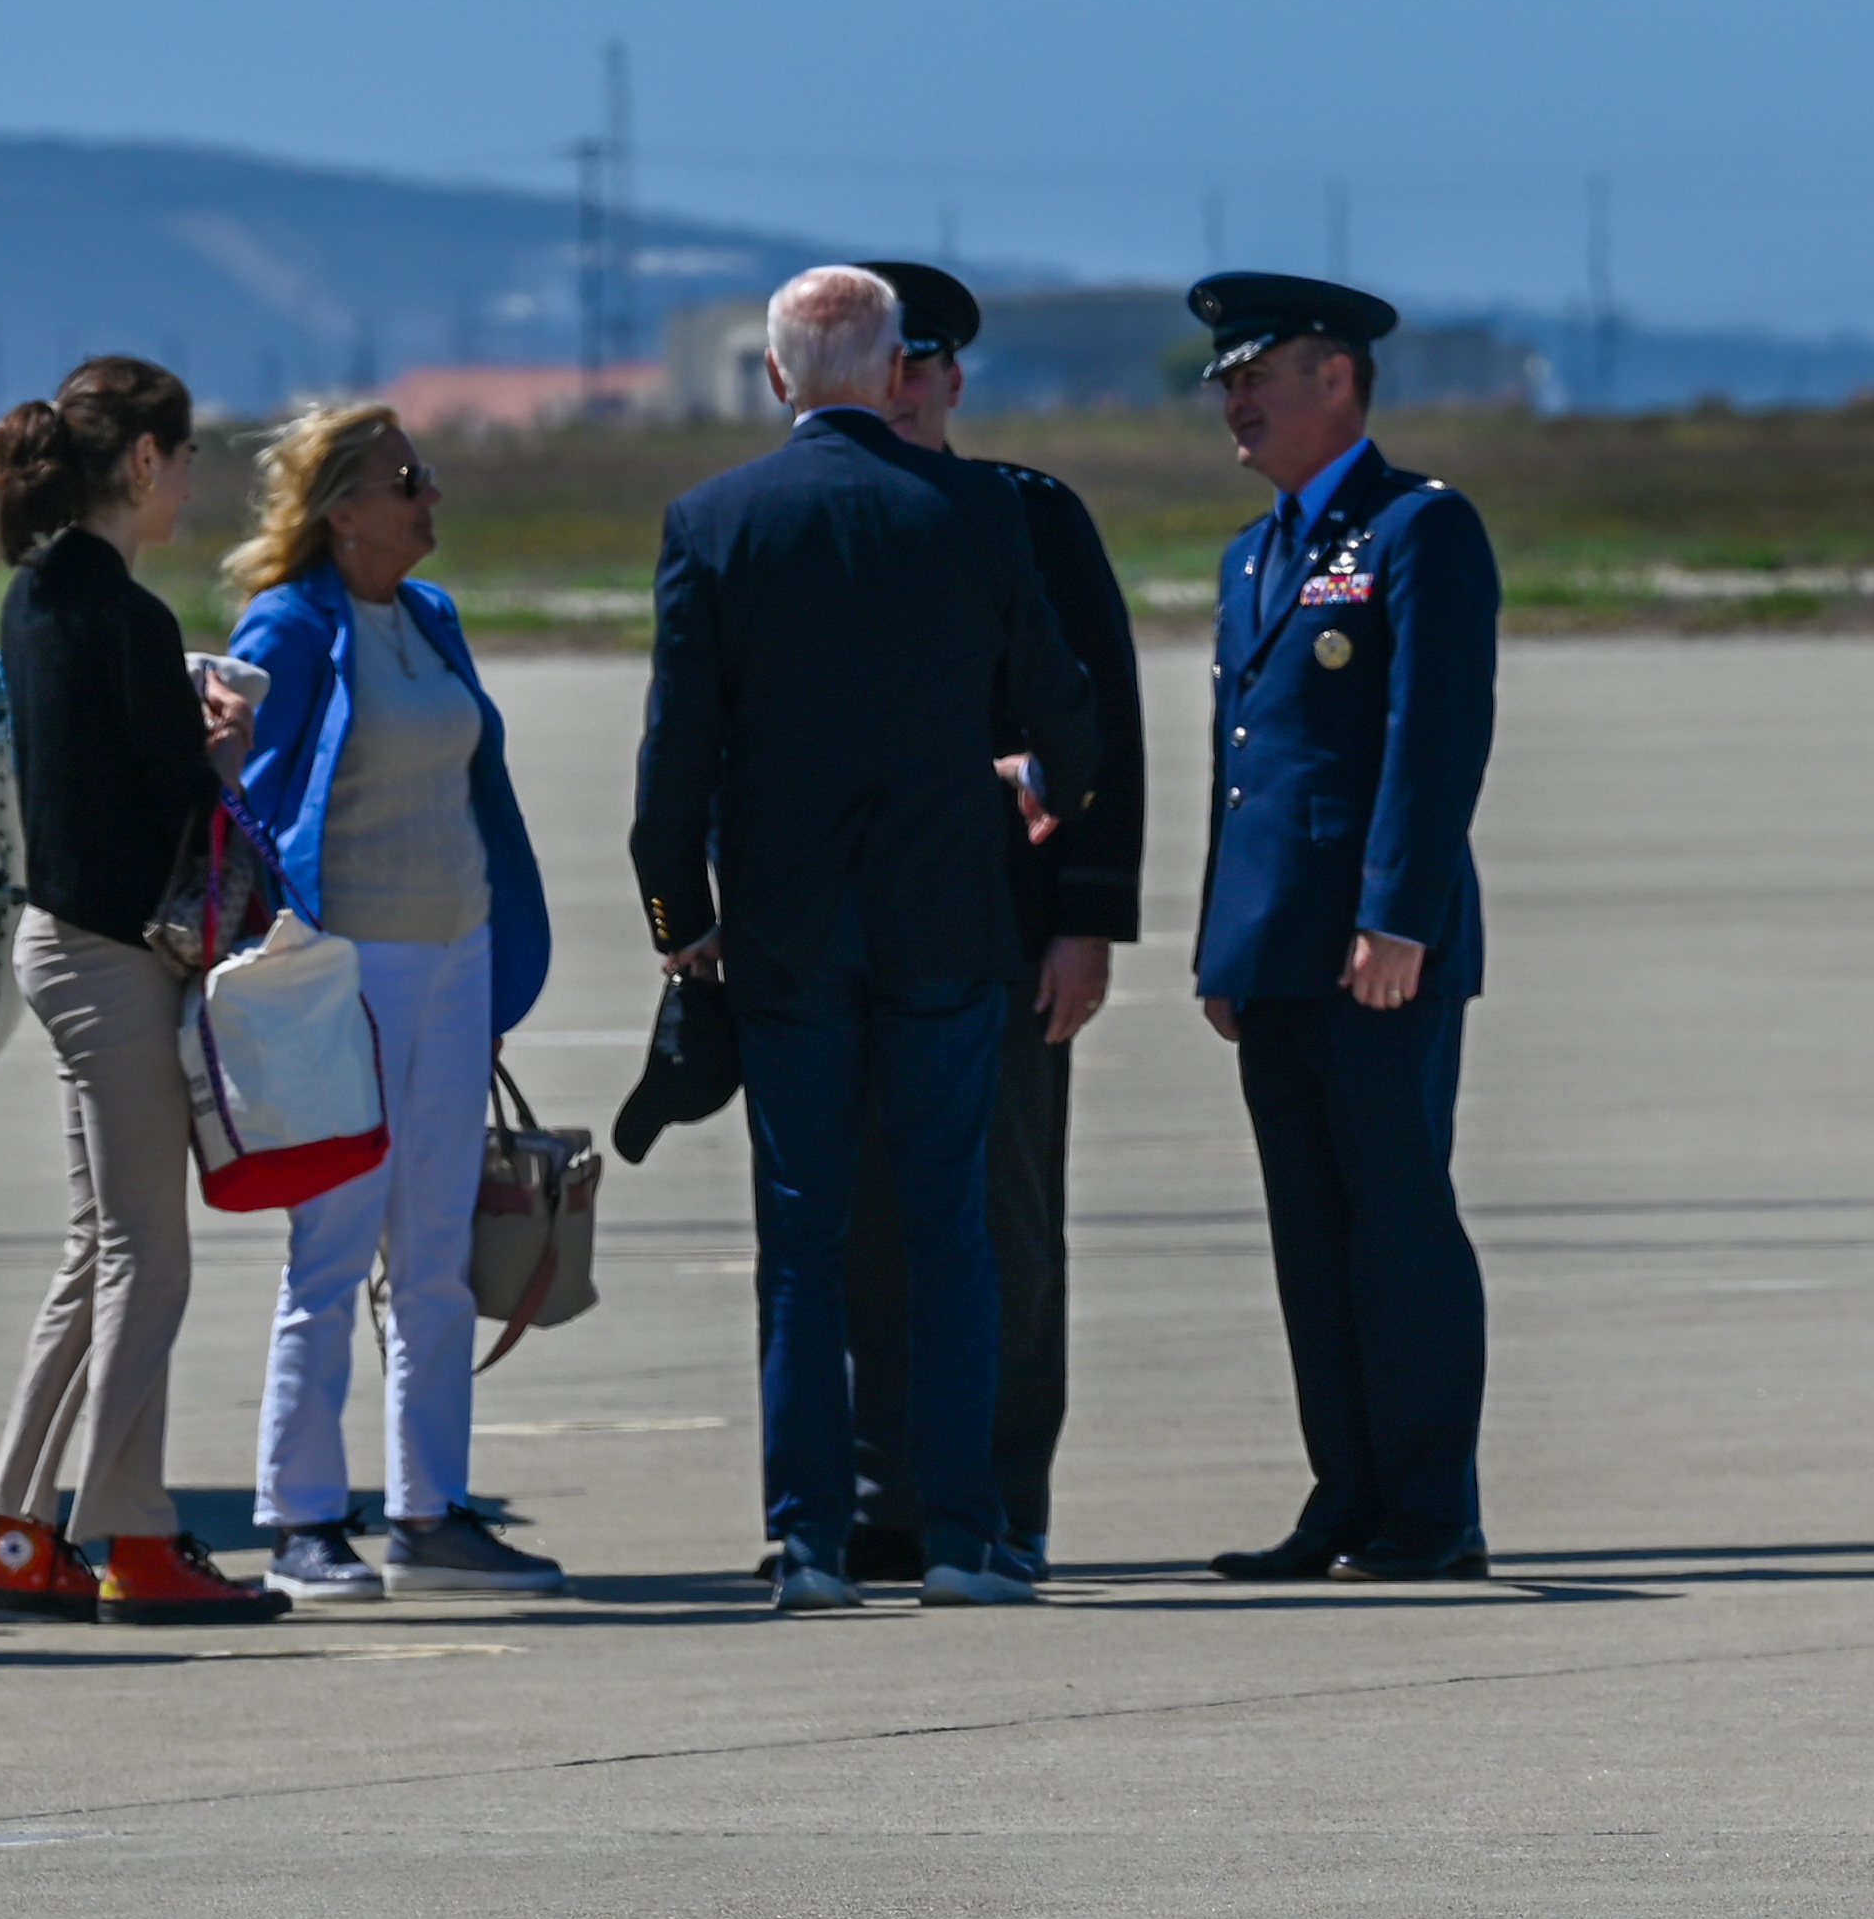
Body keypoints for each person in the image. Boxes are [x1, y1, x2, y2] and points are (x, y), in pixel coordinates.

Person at [632, 264, 1100, 1613]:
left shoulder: (713, 519)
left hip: (785, 938)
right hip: (946, 926)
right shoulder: (971, 508)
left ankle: (812, 1542)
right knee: (953, 1235)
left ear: (775, 377)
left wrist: (685, 927)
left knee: (803, 1243)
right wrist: (1034, 792)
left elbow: (673, 768)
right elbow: (1065, 714)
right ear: (897, 366)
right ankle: (959, 1536)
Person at [1182, 272, 1502, 1586]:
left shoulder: (1416, 528)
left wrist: (1395, 919)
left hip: (1378, 954)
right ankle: (1346, 1495)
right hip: (1274, 957)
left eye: (1257, 373)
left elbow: (1433, 744)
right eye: (1223, 381)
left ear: (1338, 376)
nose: (1234, 401)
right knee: (1311, 1238)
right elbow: (1244, 765)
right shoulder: (1255, 552)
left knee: (1398, 1224)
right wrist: (1222, 944)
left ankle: (1432, 1508)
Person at [0, 357, 288, 1625]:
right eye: (186, 454)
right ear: (143, 461)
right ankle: (130, 1537)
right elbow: (176, 808)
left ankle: (18, 1528)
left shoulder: (36, 595)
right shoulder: (128, 619)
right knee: (151, 1264)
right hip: (112, 959)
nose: (193, 478)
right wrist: (222, 747)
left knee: (101, 1254)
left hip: (57, 946)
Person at [838, 261, 1147, 1586]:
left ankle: (1002, 1493)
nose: (905, 384)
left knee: (1000, 1220)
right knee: (857, 1224)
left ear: (956, 379)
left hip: (1006, 929)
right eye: (883, 359)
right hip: (846, 934)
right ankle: (878, 1495)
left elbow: (1106, 728)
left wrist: (1086, 917)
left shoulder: (1030, 514)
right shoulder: (804, 512)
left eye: (924, 363)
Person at [224, 402, 564, 1602]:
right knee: (330, 1245)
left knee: (435, 1250)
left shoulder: (430, 616)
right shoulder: (293, 623)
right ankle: (302, 1519)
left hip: (456, 958)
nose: (431, 501)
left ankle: (431, 1513)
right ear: (340, 510)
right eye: (406, 482)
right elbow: (250, 807)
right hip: (344, 974)